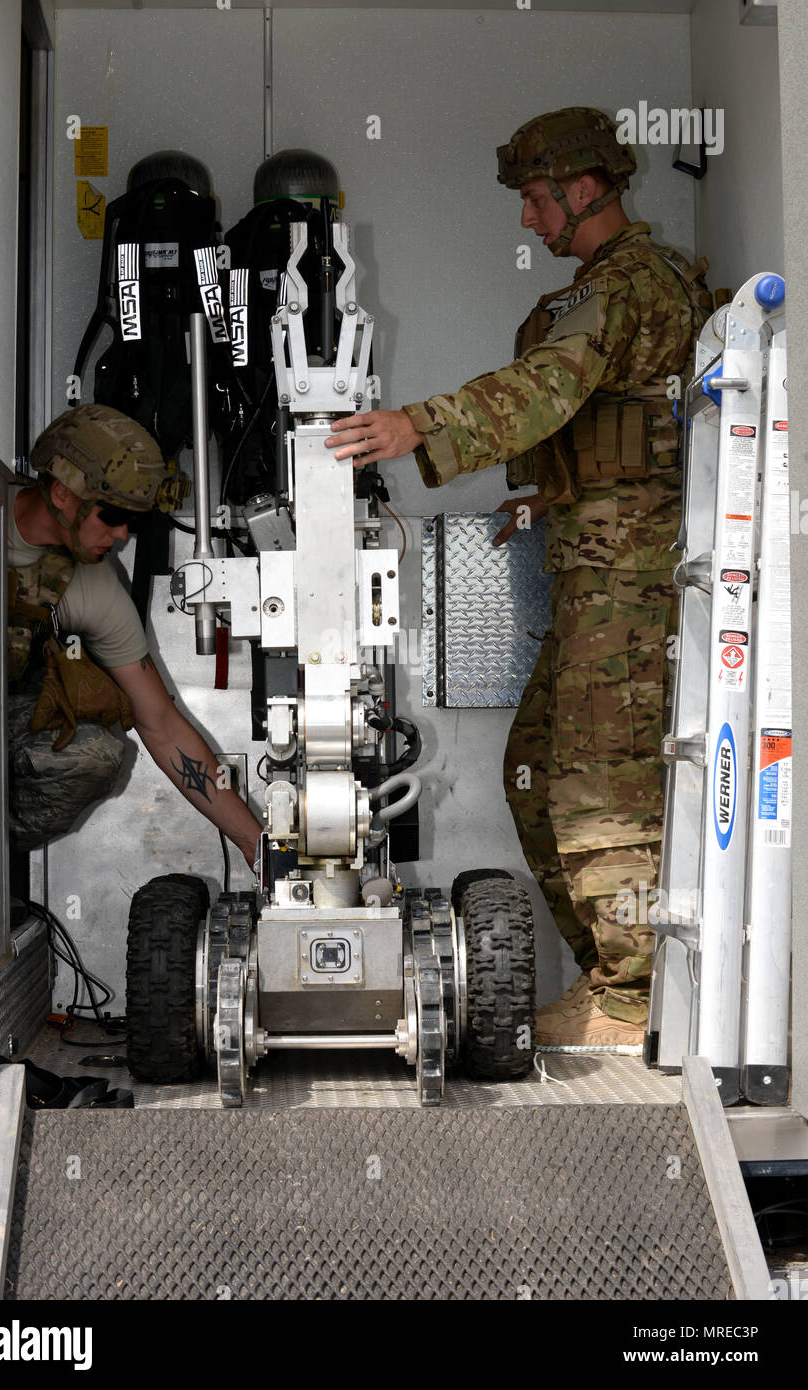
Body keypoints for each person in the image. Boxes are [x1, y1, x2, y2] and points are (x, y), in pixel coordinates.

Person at [324, 107, 713, 1047]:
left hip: (630, 584)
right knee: (535, 771)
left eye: (537, 199)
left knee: (593, 789)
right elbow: (614, 428)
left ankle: (635, 997)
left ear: (584, 189)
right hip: (599, 566)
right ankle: (616, 977)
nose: (528, 221)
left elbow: (548, 385)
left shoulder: (626, 286)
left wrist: (416, 424)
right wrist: (546, 499)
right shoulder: (614, 286)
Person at [7, 402, 262, 869]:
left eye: (135, 521)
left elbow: (161, 724)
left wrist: (255, 843)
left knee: (93, 754)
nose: (123, 535)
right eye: (112, 515)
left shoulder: (93, 584)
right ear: (62, 494)